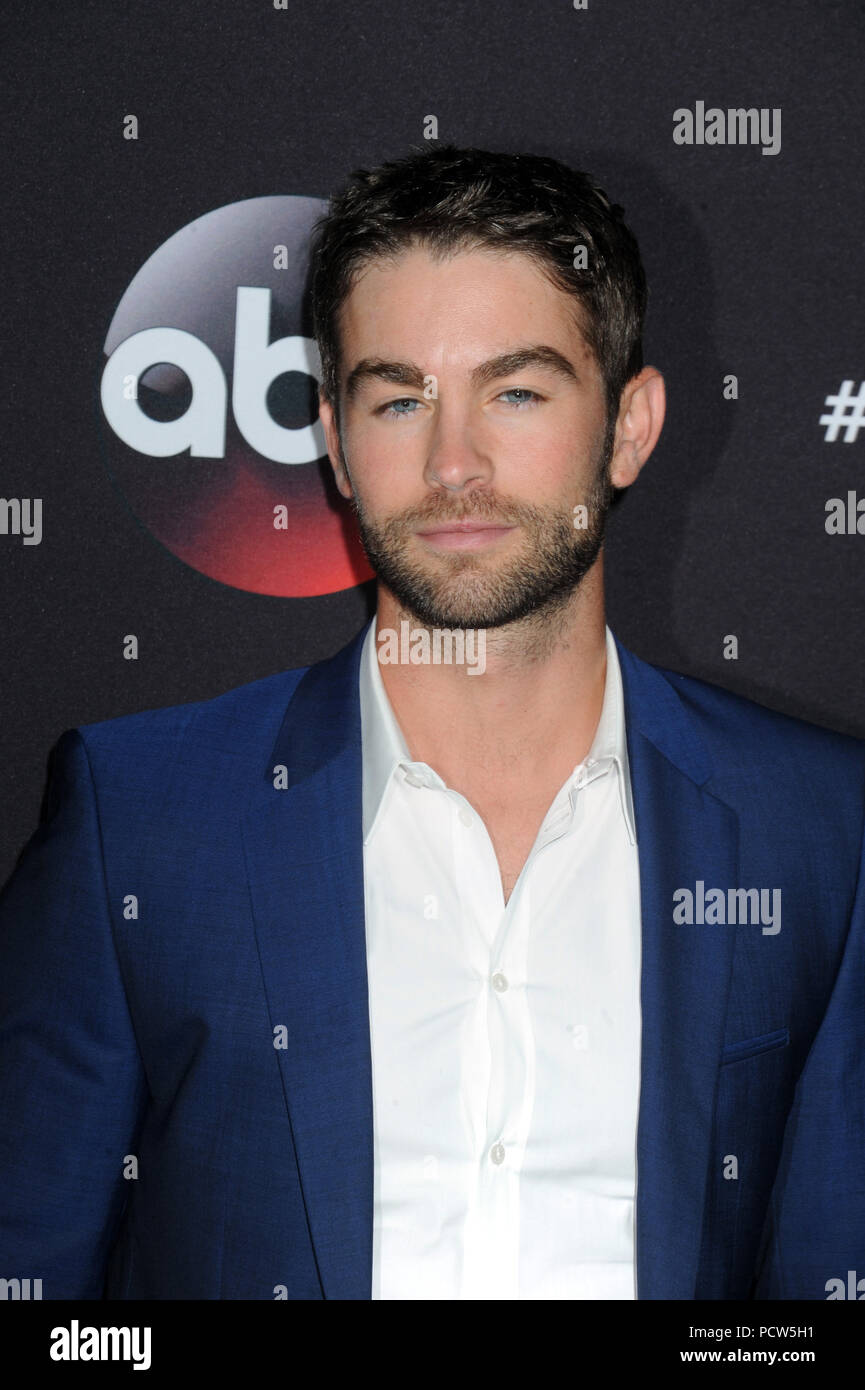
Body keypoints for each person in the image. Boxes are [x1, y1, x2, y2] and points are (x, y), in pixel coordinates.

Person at [1, 145, 863, 1301]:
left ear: (630, 425)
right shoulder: (141, 817)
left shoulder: (813, 831)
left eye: (515, 391)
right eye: (399, 398)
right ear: (336, 443)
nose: (453, 463)